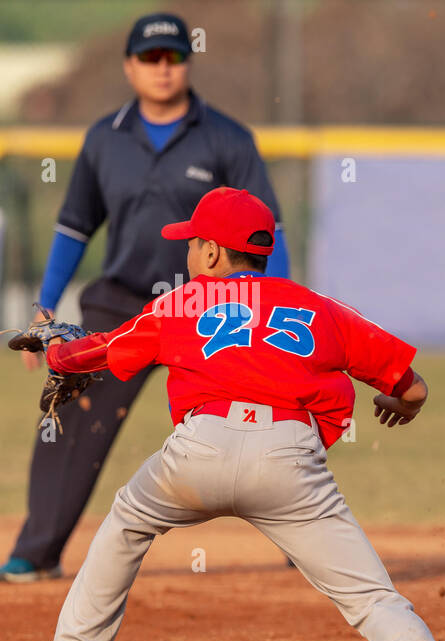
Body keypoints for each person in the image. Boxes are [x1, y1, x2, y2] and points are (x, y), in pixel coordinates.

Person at [24, 186, 445, 641]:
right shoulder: (318, 306)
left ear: (212, 253)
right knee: (365, 591)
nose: (187, 253)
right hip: (289, 461)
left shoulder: (180, 302)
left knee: (125, 523)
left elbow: (86, 355)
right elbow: (412, 385)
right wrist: (399, 402)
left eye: (192, 244)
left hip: (198, 453)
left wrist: (54, 348)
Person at [2, 11, 289, 583]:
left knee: (270, 414)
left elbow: (267, 233)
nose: (163, 68)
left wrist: (274, 309)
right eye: (151, 58)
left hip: (215, 311)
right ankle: (36, 550)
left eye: (174, 57)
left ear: (187, 63)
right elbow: (74, 228)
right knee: (71, 412)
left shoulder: (227, 138)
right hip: (122, 304)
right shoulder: (104, 139)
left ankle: (305, 540)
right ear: (130, 66)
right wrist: (48, 305)